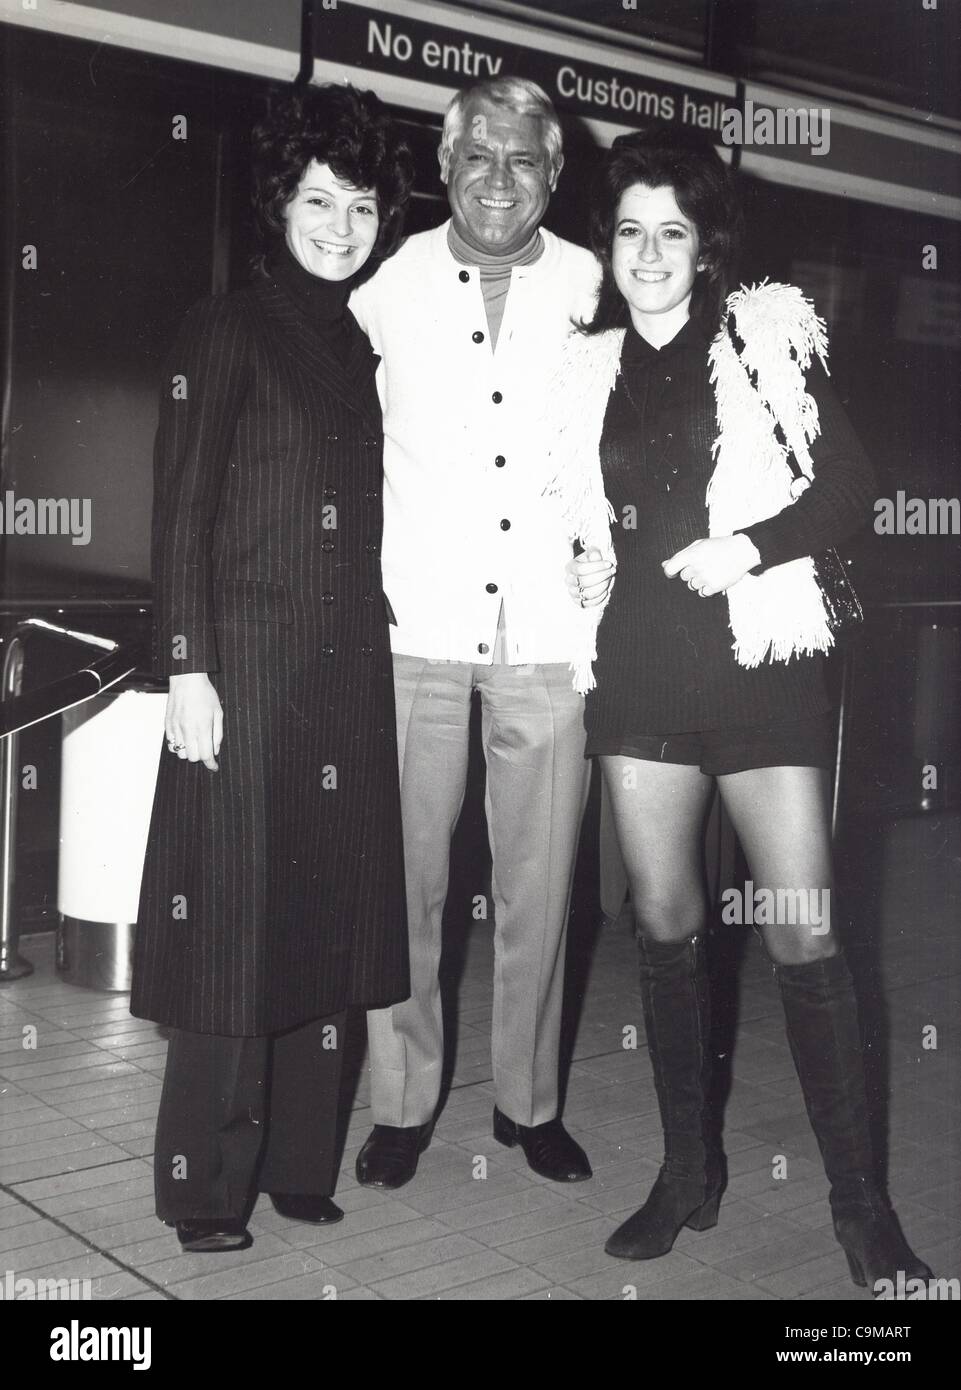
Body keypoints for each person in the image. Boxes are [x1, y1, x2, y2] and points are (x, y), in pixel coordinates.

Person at [552, 126, 931, 1290]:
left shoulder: (762, 335)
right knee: (663, 928)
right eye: (628, 231)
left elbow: (854, 489)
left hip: (760, 672)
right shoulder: (587, 363)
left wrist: (750, 548)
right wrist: (581, 559)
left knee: (802, 928)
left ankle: (861, 1210)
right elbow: (570, 502)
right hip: (639, 675)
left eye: (672, 230)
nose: (648, 252)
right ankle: (687, 1174)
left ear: (706, 244)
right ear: (607, 245)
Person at [130, 84, 413, 1252]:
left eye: (357, 205)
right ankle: (205, 1187)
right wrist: (184, 668)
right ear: (277, 206)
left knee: (326, 928)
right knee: (232, 932)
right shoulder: (226, 326)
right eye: (316, 201)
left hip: (345, 673)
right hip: (242, 672)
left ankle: (301, 1162)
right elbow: (181, 513)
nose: (339, 225)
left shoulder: (362, 343)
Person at [348, 78, 607, 1189]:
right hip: (417, 625)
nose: (500, 180)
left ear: (554, 175)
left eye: (524, 161)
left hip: (547, 631)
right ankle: (401, 1102)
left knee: (539, 887)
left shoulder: (594, 285)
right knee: (400, 884)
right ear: (445, 166)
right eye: (479, 157)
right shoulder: (382, 285)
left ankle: (527, 1101)